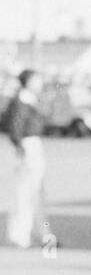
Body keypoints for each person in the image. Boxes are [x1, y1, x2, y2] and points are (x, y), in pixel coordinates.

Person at [5, 70, 50, 250]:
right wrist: (20, 147)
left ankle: (41, 235)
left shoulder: (31, 100)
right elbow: (15, 126)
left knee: (36, 191)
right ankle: (20, 235)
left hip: (33, 144)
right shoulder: (21, 101)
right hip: (27, 146)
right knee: (25, 192)